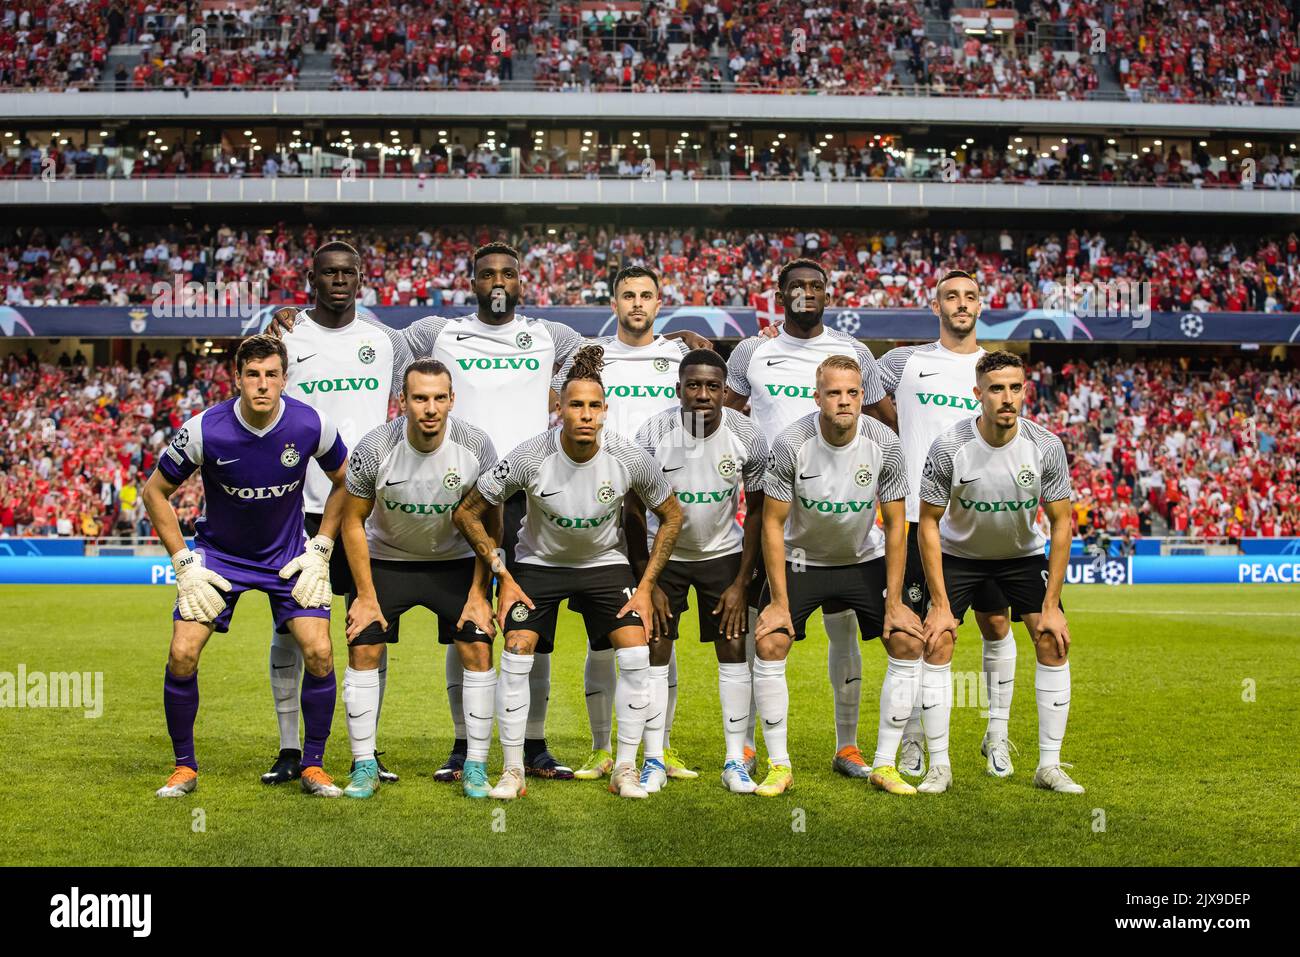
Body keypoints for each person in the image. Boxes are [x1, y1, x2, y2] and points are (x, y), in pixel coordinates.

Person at [452, 346, 684, 799]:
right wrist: (504, 576)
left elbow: (672, 516)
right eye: (575, 405)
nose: (585, 414)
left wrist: (645, 588)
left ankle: (625, 769)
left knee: (636, 654)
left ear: (604, 411)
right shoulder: (530, 455)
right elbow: (466, 513)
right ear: (558, 407)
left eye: (594, 406)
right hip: (540, 565)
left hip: (604, 564)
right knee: (517, 652)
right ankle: (513, 771)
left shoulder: (630, 457)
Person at [144, 334, 349, 799]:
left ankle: (313, 765)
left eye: (271, 375)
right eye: (252, 375)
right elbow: (155, 492)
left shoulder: (311, 423)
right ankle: (183, 768)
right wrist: (184, 563)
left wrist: (321, 547)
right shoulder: (204, 429)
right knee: (182, 654)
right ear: (236, 378)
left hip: (285, 558)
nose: (262, 385)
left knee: (319, 652)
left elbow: (346, 480)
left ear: (284, 378)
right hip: (220, 559)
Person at [726, 258, 894, 780]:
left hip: (846, 519)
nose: (805, 293)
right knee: (765, 627)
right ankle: (750, 746)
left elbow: (888, 421)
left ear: (827, 293)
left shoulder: (854, 353)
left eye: (815, 286)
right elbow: (726, 416)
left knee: (844, 633)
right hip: (774, 513)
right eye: (795, 286)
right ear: (780, 294)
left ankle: (848, 749)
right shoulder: (753, 351)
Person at [262, 241, 413, 787]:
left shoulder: (382, 341)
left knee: (368, 626)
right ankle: (288, 747)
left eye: (349, 273)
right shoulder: (285, 335)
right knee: (292, 631)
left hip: (368, 512)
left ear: (362, 278)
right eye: (330, 273)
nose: (340, 280)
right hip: (296, 509)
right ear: (312, 278)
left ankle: (365, 752)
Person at [552, 264, 696, 783]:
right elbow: (563, 414)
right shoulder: (591, 357)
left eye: (647, 296)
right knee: (602, 634)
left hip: (658, 501)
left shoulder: (679, 354)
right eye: (628, 295)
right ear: (613, 303)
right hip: (601, 504)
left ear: (660, 303)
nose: (637, 303)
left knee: (660, 630)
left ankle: (662, 744)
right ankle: (600, 748)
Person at [753, 354, 921, 797]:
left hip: (861, 558)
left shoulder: (884, 440)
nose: (844, 401)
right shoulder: (792, 442)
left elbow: (897, 524)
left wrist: (896, 600)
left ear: (863, 396)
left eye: (852, 393)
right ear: (817, 396)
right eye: (834, 393)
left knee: (905, 639)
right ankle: (778, 765)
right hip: (803, 559)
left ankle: (883, 764)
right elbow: (772, 523)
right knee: (771, 640)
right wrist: (777, 599)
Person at [917, 350, 1084, 794]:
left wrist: (1051, 606)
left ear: (1024, 391)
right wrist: (938, 604)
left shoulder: (1045, 445)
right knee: (936, 641)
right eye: (996, 389)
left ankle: (1046, 764)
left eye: (1014, 388)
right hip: (960, 555)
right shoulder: (949, 447)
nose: (1006, 398)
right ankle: (940, 765)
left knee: (1052, 640)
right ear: (978, 395)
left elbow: (1062, 521)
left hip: (1021, 557)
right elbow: (928, 522)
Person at [338, 359, 501, 799]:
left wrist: (479, 594)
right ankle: (364, 764)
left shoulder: (476, 445)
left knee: (477, 646)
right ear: (403, 401)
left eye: (438, 398)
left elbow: (492, 520)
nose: (430, 408)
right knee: (364, 645)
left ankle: (476, 766)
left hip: (455, 561)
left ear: (452, 400)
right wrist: (366, 595)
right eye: (419, 398)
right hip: (387, 561)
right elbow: (352, 522)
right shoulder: (375, 447)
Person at [877, 269, 1016, 781]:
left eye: (970, 296)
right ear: (935, 306)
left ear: (981, 306)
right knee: (916, 635)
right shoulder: (904, 361)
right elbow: (850, 383)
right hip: (919, 520)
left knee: (996, 624)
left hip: (985, 522)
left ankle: (997, 733)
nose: (961, 304)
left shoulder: (997, 370)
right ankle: (912, 735)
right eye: (951, 297)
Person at [628, 348, 768, 793]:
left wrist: (742, 583)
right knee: (654, 650)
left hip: (721, 556)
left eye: (712, 386)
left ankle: (734, 761)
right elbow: (631, 509)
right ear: (678, 390)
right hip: (662, 557)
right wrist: (645, 582)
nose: (703, 394)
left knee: (732, 650)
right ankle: (653, 759)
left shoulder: (747, 433)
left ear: (725, 392)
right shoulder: (653, 432)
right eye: (694, 385)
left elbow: (761, 512)